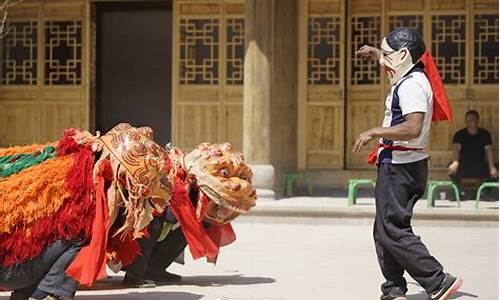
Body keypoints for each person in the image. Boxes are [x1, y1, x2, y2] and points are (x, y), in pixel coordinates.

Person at [353, 27, 462, 300]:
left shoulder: (411, 85)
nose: (383, 62)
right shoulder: (411, 74)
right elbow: (394, 62)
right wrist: (377, 52)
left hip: (401, 166)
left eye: (387, 55)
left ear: (402, 55)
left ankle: (437, 280)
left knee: (393, 228)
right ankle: (393, 289)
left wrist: (374, 132)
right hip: (405, 163)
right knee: (384, 228)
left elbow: (412, 127)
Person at [0, 239, 84, 300]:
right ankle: (45, 293)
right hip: (10, 269)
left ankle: (27, 293)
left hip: (9, 271)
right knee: (83, 230)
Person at [448, 110, 498, 199]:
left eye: (471, 120)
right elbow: (456, 148)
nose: (469, 123)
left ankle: (484, 192)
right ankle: (460, 192)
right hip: (464, 166)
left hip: (480, 166)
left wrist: (491, 167)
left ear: (477, 121)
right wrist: (455, 162)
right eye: (467, 120)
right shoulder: (460, 134)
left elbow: (488, 150)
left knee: (497, 167)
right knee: (450, 167)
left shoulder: (484, 134)